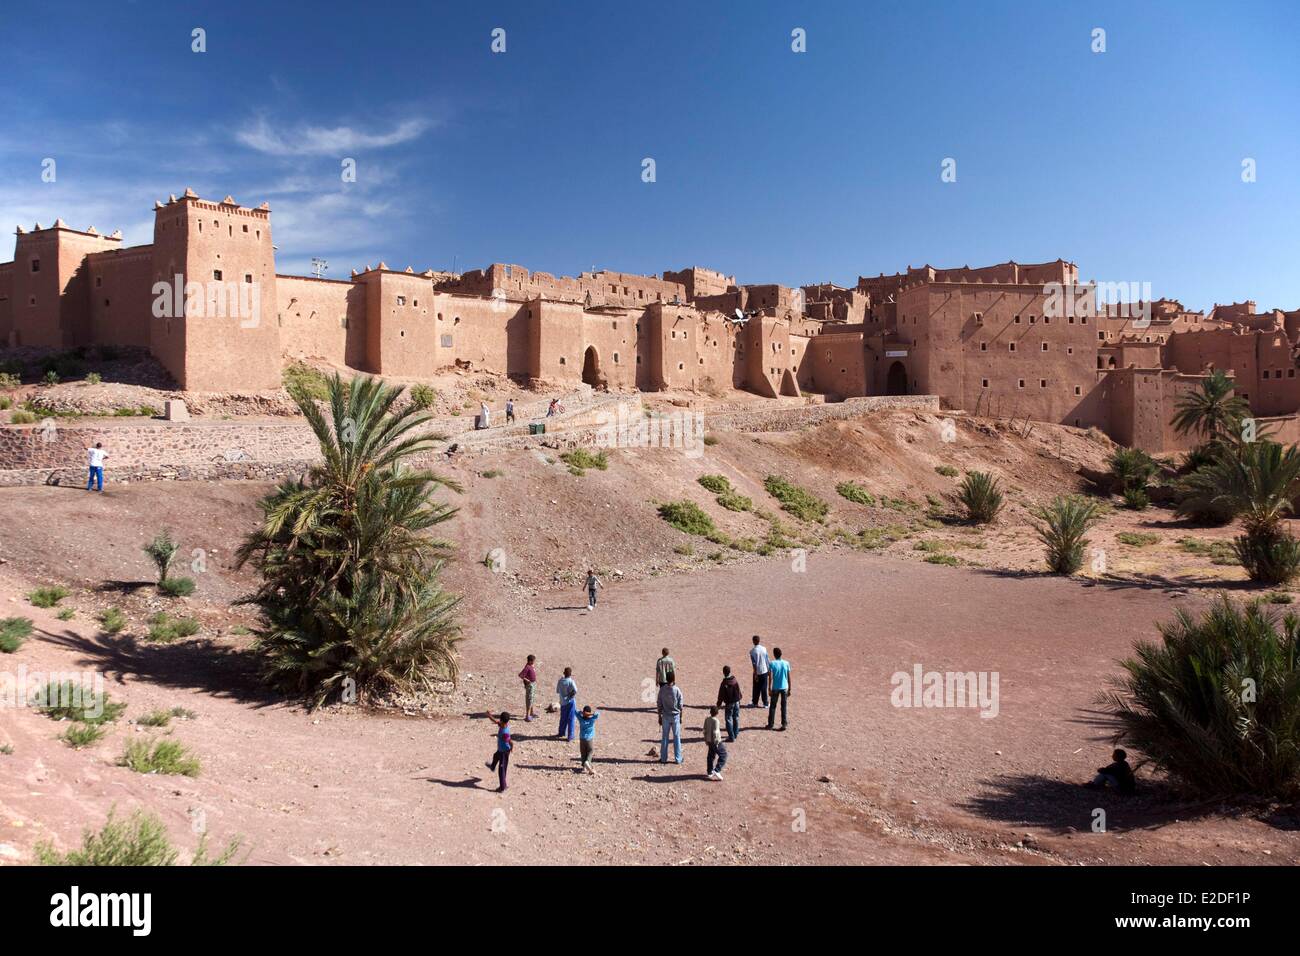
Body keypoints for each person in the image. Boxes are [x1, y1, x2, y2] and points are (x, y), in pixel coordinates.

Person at [657, 672, 683, 765]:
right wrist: (681, 717)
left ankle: (663, 758)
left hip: (665, 716)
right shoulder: (677, 690)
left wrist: (659, 716)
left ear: (666, 679)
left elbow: (659, 703)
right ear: (674, 678)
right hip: (675, 717)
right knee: (677, 737)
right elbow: (680, 705)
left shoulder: (662, 690)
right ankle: (678, 759)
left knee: (664, 737)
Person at [484, 710, 514, 792]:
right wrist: (489, 715)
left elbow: (510, 742)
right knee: (495, 756)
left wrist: (512, 748)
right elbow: (494, 720)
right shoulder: (502, 725)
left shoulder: (505, 732)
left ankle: (502, 787)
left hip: (504, 752)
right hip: (500, 750)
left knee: (502, 769)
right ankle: (492, 766)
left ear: (501, 720)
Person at [766, 647, 791, 730]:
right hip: (784, 687)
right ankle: (784, 723)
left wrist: (769, 688)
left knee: (773, 706)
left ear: (774, 655)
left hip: (775, 687)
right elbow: (788, 676)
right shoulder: (786, 663)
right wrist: (790, 688)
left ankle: (770, 724)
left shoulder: (772, 663)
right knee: (784, 706)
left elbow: (770, 677)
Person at [716, 665, 743, 741]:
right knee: (736, 717)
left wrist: (718, 705)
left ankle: (731, 736)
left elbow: (721, 695)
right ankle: (735, 733)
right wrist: (739, 699)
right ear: (730, 672)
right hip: (737, 702)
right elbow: (738, 690)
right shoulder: (734, 680)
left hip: (729, 703)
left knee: (728, 719)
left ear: (723, 673)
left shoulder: (724, 683)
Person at [703, 705, 728, 781]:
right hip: (715, 741)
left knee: (710, 756)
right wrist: (717, 742)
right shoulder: (716, 721)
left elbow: (705, 730)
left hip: (709, 741)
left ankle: (709, 771)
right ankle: (717, 770)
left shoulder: (707, 719)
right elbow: (716, 732)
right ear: (717, 713)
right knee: (724, 755)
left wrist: (706, 740)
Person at [556, 667, 578, 741]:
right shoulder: (571, 681)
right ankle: (570, 736)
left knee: (563, 718)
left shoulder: (560, 681)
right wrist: (570, 696)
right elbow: (575, 690)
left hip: (562, 702)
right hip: (570, 702)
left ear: (564, 673)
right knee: (571, 719)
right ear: (570, 674)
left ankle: (561, 732)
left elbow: (557, 691)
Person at [576, 705, 600, 774]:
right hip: (589, 739)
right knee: (590, 751)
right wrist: (591, 714)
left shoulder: (580, 718)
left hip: (582, 739)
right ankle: (588, 762)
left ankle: (584, 767)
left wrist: (582, 712)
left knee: (583, 753)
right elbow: (597, 713)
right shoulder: (592, 719)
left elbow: (576, 711)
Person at [749, 635, 769, 708]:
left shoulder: (752, 651)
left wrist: (756, 674)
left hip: (757, 671)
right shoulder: (764, 649)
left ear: (753, 641)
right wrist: (768, 669)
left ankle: (755, 702)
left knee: (756, 688)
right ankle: (765, 703)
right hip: (764, 670)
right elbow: (767, 660)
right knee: (764, 687)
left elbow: (754, 664)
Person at [518, 654, 539, 722]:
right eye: (533, 661)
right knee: (529, 699)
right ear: (530, 661)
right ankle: (527, 716)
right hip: (530, 685)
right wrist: (527, 680)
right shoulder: (527, 667)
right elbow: (520, 675)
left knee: (532, 699)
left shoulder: (530, 666)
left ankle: (531, 713)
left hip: (532, 684)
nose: (534, 662)